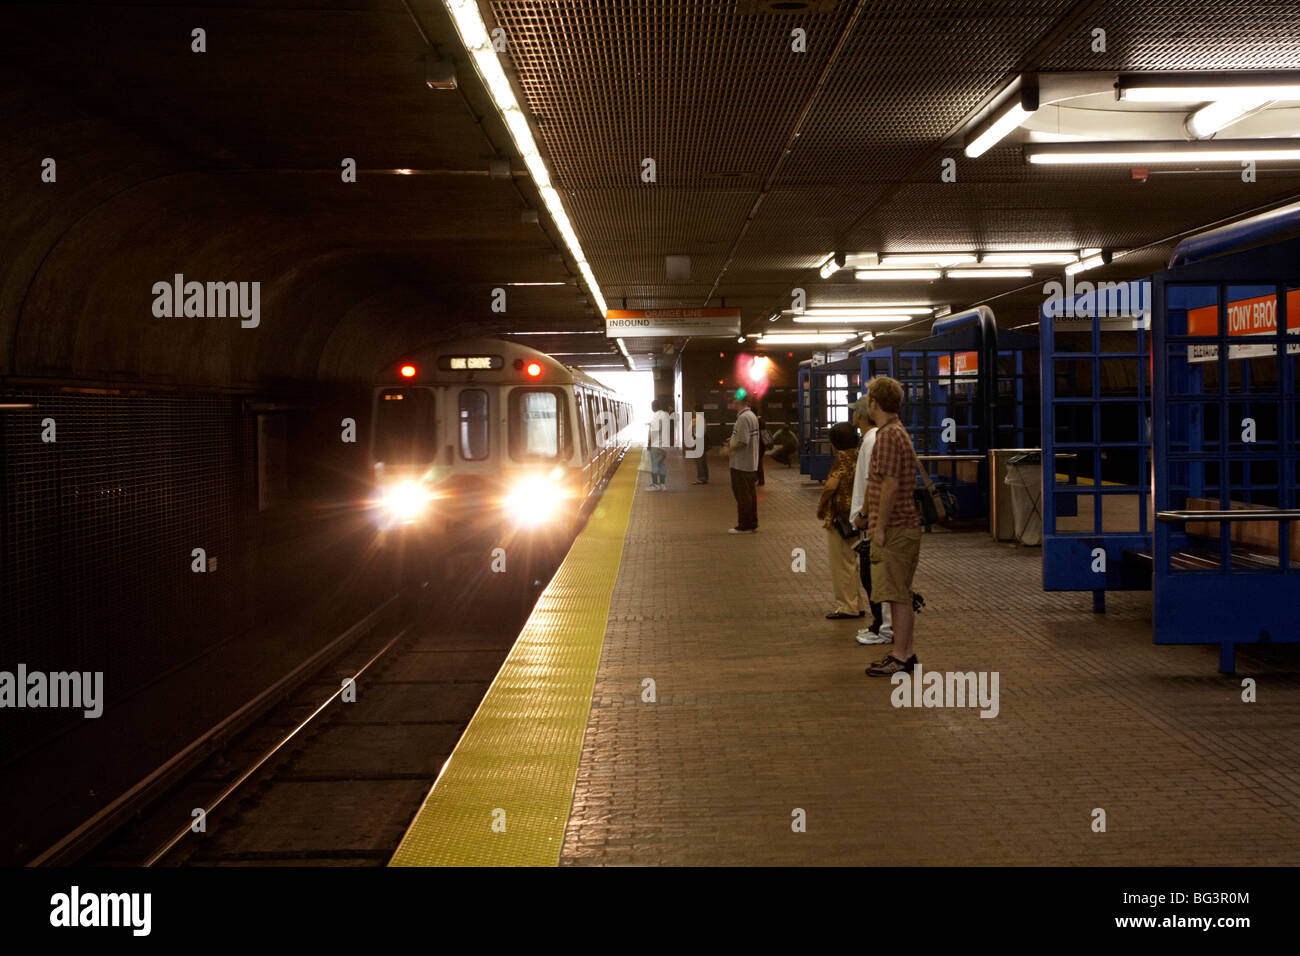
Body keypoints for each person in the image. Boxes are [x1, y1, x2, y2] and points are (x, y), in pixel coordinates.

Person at [856, 377, 924, 677]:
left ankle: (902, 655)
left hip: (895, 527)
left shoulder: (886, 436)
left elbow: (889, 485)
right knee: (900, 593)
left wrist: (878, 527)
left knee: (896, 594)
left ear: (874, 403)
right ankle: (904, 653)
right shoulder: (897, 432)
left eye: (868, 399)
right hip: (902, 525)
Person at [849, 395, 892, 646]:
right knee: (868, 576)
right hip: (869, 521)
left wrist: (864, 514)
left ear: (861, 415)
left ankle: (884, 627)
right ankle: (879, 624)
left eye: (854, 411)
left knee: (874, 577)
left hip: (871, 522)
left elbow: (872, 482)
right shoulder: (870, 439)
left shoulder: (871, 441)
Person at [817, 421, 865, 620]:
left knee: (841, 563)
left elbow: (831, 485)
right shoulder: (859, 455)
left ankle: (847, 606)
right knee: (852, 562)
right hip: (855, 515)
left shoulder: (842, 458)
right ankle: (857, 603)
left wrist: (821, 504)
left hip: (839, 517)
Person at [720, 391, 759, 533]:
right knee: (750, 495)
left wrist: (728, 449)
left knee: (742, 495)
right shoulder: (751, 416)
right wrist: (733, 439)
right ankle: (752, 522)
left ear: (740, 402)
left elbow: (743, 441)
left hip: (741, 464)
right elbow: (744, 436)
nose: (733, 401)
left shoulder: (743, 418)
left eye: (735, 399)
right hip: (750, 463)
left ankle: (744, 525)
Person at [647, 398, 671, 490]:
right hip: (665, 445)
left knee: (655, 465)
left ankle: (655, 485)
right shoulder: (666, 415)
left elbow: (655, 431)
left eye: (652, 406)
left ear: (654, 407)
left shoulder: (657, 416)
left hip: (657, 445)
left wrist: (649, 443)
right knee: (662, 466)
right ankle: (662, 485)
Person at [688, 401, 709, 485]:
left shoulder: (695, 420)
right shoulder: (704, 419)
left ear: (694, 410)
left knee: (699, 460)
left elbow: (689, 430)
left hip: (697, 441)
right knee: (703, 460)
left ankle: (701, 478)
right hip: (703, 440)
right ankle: (705, 477)